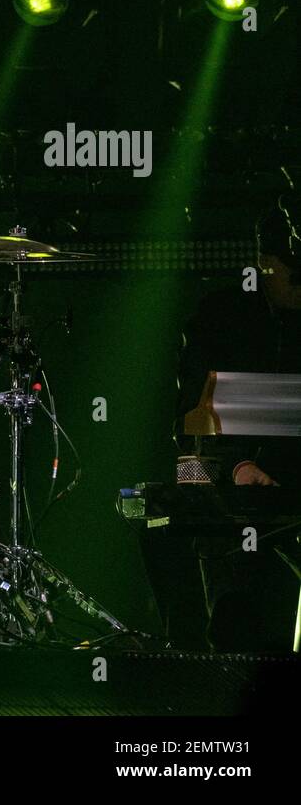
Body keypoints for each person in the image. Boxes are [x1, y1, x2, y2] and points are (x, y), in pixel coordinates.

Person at [158, 197, 301, 651]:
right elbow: (184, 436)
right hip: (219, 476)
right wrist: (235, 468)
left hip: (284, 479)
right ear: (265, 265)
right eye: (286, 273)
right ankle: (221, 644)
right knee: (184, 488)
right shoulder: (220, 319)